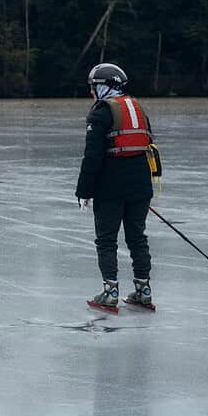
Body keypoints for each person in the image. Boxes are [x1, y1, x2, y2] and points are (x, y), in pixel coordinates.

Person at [75, 62, 154, 311]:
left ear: (105, 87)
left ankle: (110, 292)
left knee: (106, 240)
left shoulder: (100, 113)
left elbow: (93, 157)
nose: (91, 92)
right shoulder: (138, 108)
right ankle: (144, 290)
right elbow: (147, 144)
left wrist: (84, 192)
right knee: (137, 238)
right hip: (141, 188)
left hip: (110, 190)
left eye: (94, 86)